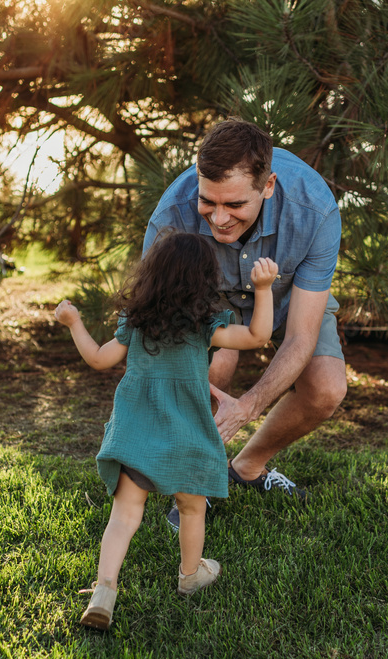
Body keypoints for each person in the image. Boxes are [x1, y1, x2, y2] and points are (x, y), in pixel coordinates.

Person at [55, 231, 278, 630]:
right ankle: (190, 576)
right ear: (204, 281)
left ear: (151, 275)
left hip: (136, 432)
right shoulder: (204, 326)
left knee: (123, 515)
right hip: (186, 434)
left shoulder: (134, 322)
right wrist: (262, 289)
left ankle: (105, 591)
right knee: (192, 509)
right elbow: (258, 336)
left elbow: (98, 359)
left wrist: (73, 322)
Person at [145, 118, 348, 502]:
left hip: (285, 295)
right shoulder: (171, 216)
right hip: (209, 298)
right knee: (216, 367)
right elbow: (156, 324)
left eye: (235, 204)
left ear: (267, 186)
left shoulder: (315, 209)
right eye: (208, 201)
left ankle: (248, 467)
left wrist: (248, 406)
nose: (219, 219)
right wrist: (183, 383)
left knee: (326, 389)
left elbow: (301, 336)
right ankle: (193, 484)